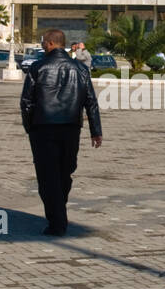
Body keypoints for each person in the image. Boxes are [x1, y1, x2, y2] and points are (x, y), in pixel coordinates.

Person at [20, 28, 103, 236]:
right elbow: (91, 102)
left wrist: (30, 127)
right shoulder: (80, 69)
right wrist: (96, 131)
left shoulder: (38, 67)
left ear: (49, 44)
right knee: (65, 172)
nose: (41, 45)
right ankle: (59, 212)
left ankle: (57, 221)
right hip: (70, 128)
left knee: (48, 177)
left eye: (42, 42)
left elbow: (26, 103)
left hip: (43, 129)